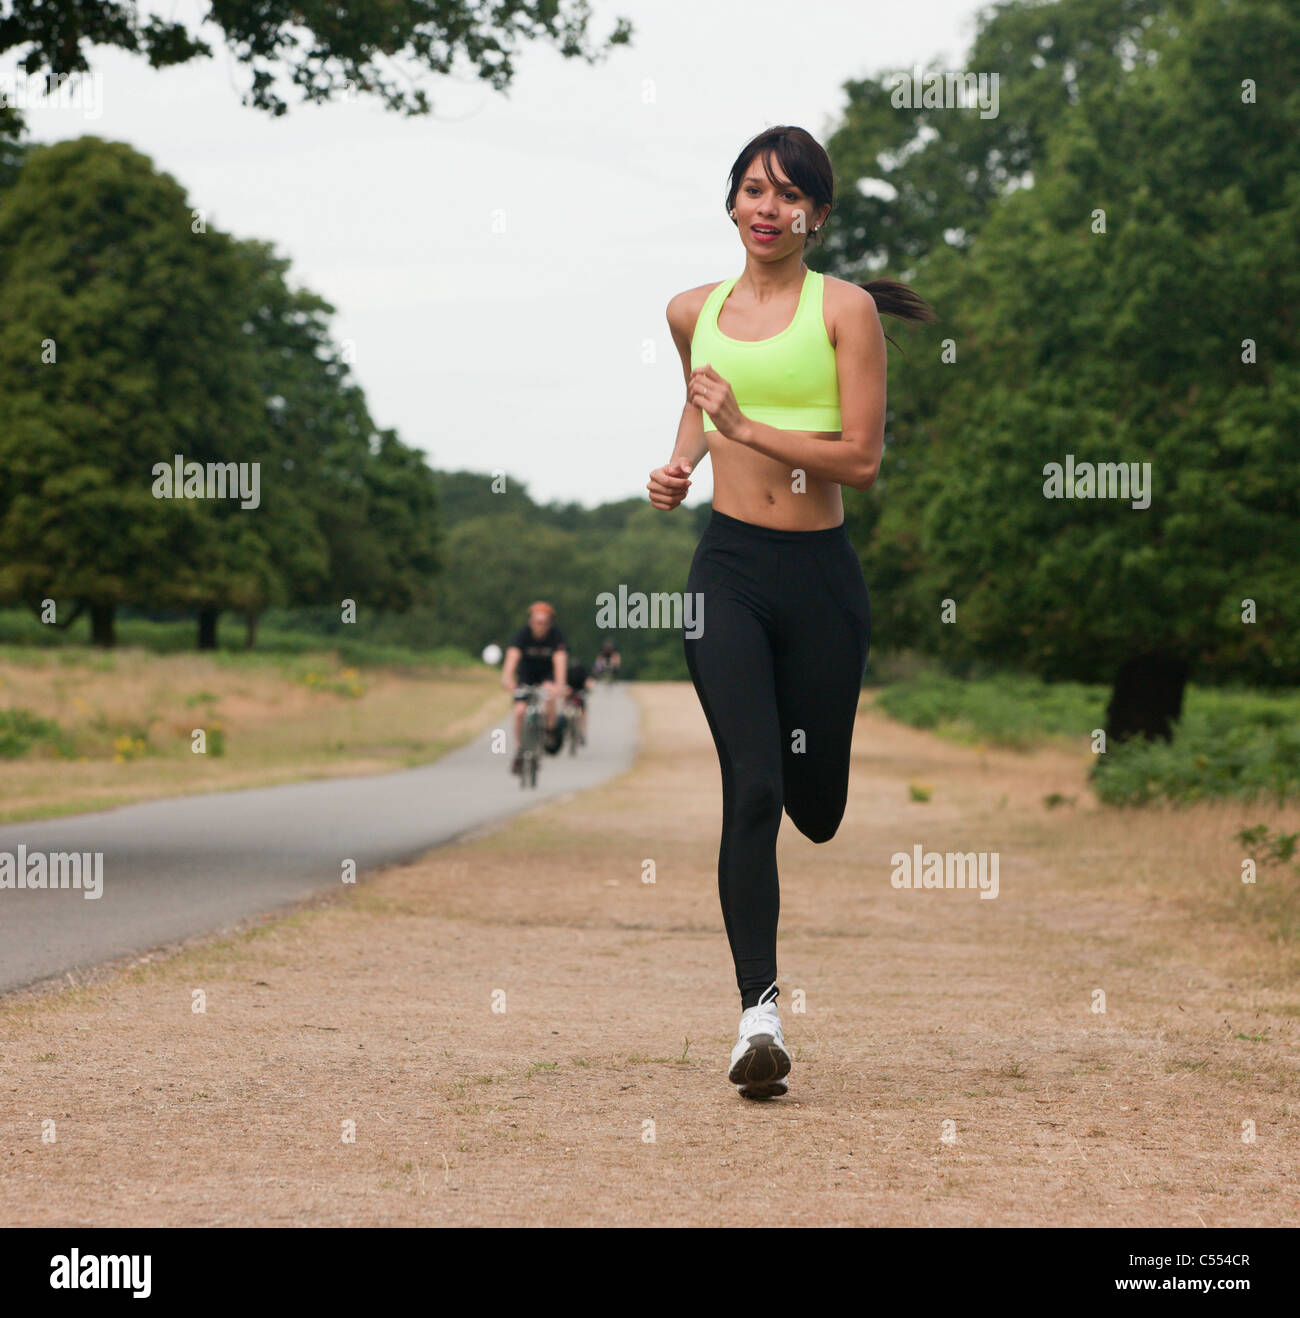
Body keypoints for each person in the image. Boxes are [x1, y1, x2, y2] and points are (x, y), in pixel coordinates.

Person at [650, 125, 936, 1100]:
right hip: (727, 567)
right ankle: (757, 1016)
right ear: (730, 202)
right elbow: (699, 396)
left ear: (815, 213)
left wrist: (742, 428)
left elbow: (858, 458)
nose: (767, 208)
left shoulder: (846, 311)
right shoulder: (694, 309)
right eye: (752, 190)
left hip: (820, 576)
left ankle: (813, 803)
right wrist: (681, 459)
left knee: (814, 809)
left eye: (787, 194)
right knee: (753, 786)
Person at [501, 602, 568, 773]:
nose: (540, 626)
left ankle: (550, 730)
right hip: (527, 675)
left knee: (549, 695)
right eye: (537, 622)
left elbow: (560, 659)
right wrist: (507, 678)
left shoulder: (556, 636)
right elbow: (513, 655)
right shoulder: (522, 635)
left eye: (544, 623)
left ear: (549, 623)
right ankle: (520, 750)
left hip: (547, 674)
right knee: (519, 711)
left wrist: (559, 685)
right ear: (531, 622)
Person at [562, 656, 595, 745]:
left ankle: (581, 732)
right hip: (570, 691)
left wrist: (588, 689)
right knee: (565, 708)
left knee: (582, 712)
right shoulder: (567, 672)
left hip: (580, 691)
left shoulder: (583, 672)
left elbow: (589, 681)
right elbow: (563, 683)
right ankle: (565, 727)